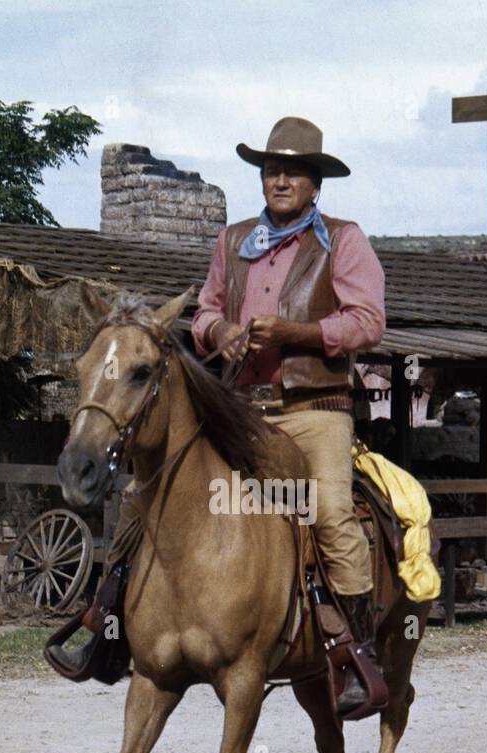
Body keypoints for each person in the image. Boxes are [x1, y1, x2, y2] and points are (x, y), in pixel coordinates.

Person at [190, 116, 387, 715]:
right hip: (239, 407)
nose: (279, 179)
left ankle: (357, 653)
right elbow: (201, 314)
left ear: (314, 183)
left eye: (293, 171)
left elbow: (368, 322)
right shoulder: (232, 241)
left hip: (313, 409)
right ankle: (110, 618)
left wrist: (297, 332)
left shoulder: (343, 240)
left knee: (327, 511)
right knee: (161, 488)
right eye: (271, 169)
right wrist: (220, 331)